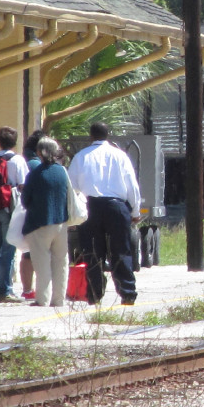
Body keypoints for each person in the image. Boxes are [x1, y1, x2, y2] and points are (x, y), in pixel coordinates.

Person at [67, 123, 141, 305]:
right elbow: (131, 184)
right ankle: (127, 292)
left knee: (92, 252)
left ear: (90, 136)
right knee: (121, 250)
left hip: (89, 207)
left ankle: (94, 293)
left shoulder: (80, 157)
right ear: (108, 135)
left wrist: (73, 214)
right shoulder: (120, 156)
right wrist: (135, 210)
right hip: (117, 207)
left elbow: (72, 188)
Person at [20, 136, 68, 307]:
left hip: (40, 223)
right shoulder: (62, 171)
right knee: (61, 262)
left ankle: (43, 298)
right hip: (61, 223)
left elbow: (25, 201)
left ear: (39, 152)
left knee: (42, 263)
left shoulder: (35, 174)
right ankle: (59, 299)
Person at [0, 126, 29, 303]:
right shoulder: (18, 161)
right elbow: (24, 185)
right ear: (15, 142)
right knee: (8, 251)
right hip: (10, 210)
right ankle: (6, 289)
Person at [18, 129, 47, 300]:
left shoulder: (22, 159)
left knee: (26, 252)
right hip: (35, 213)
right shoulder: (36, 165)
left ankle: (27, 289)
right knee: (35, 252)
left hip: (21, 210)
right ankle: (35, 289)